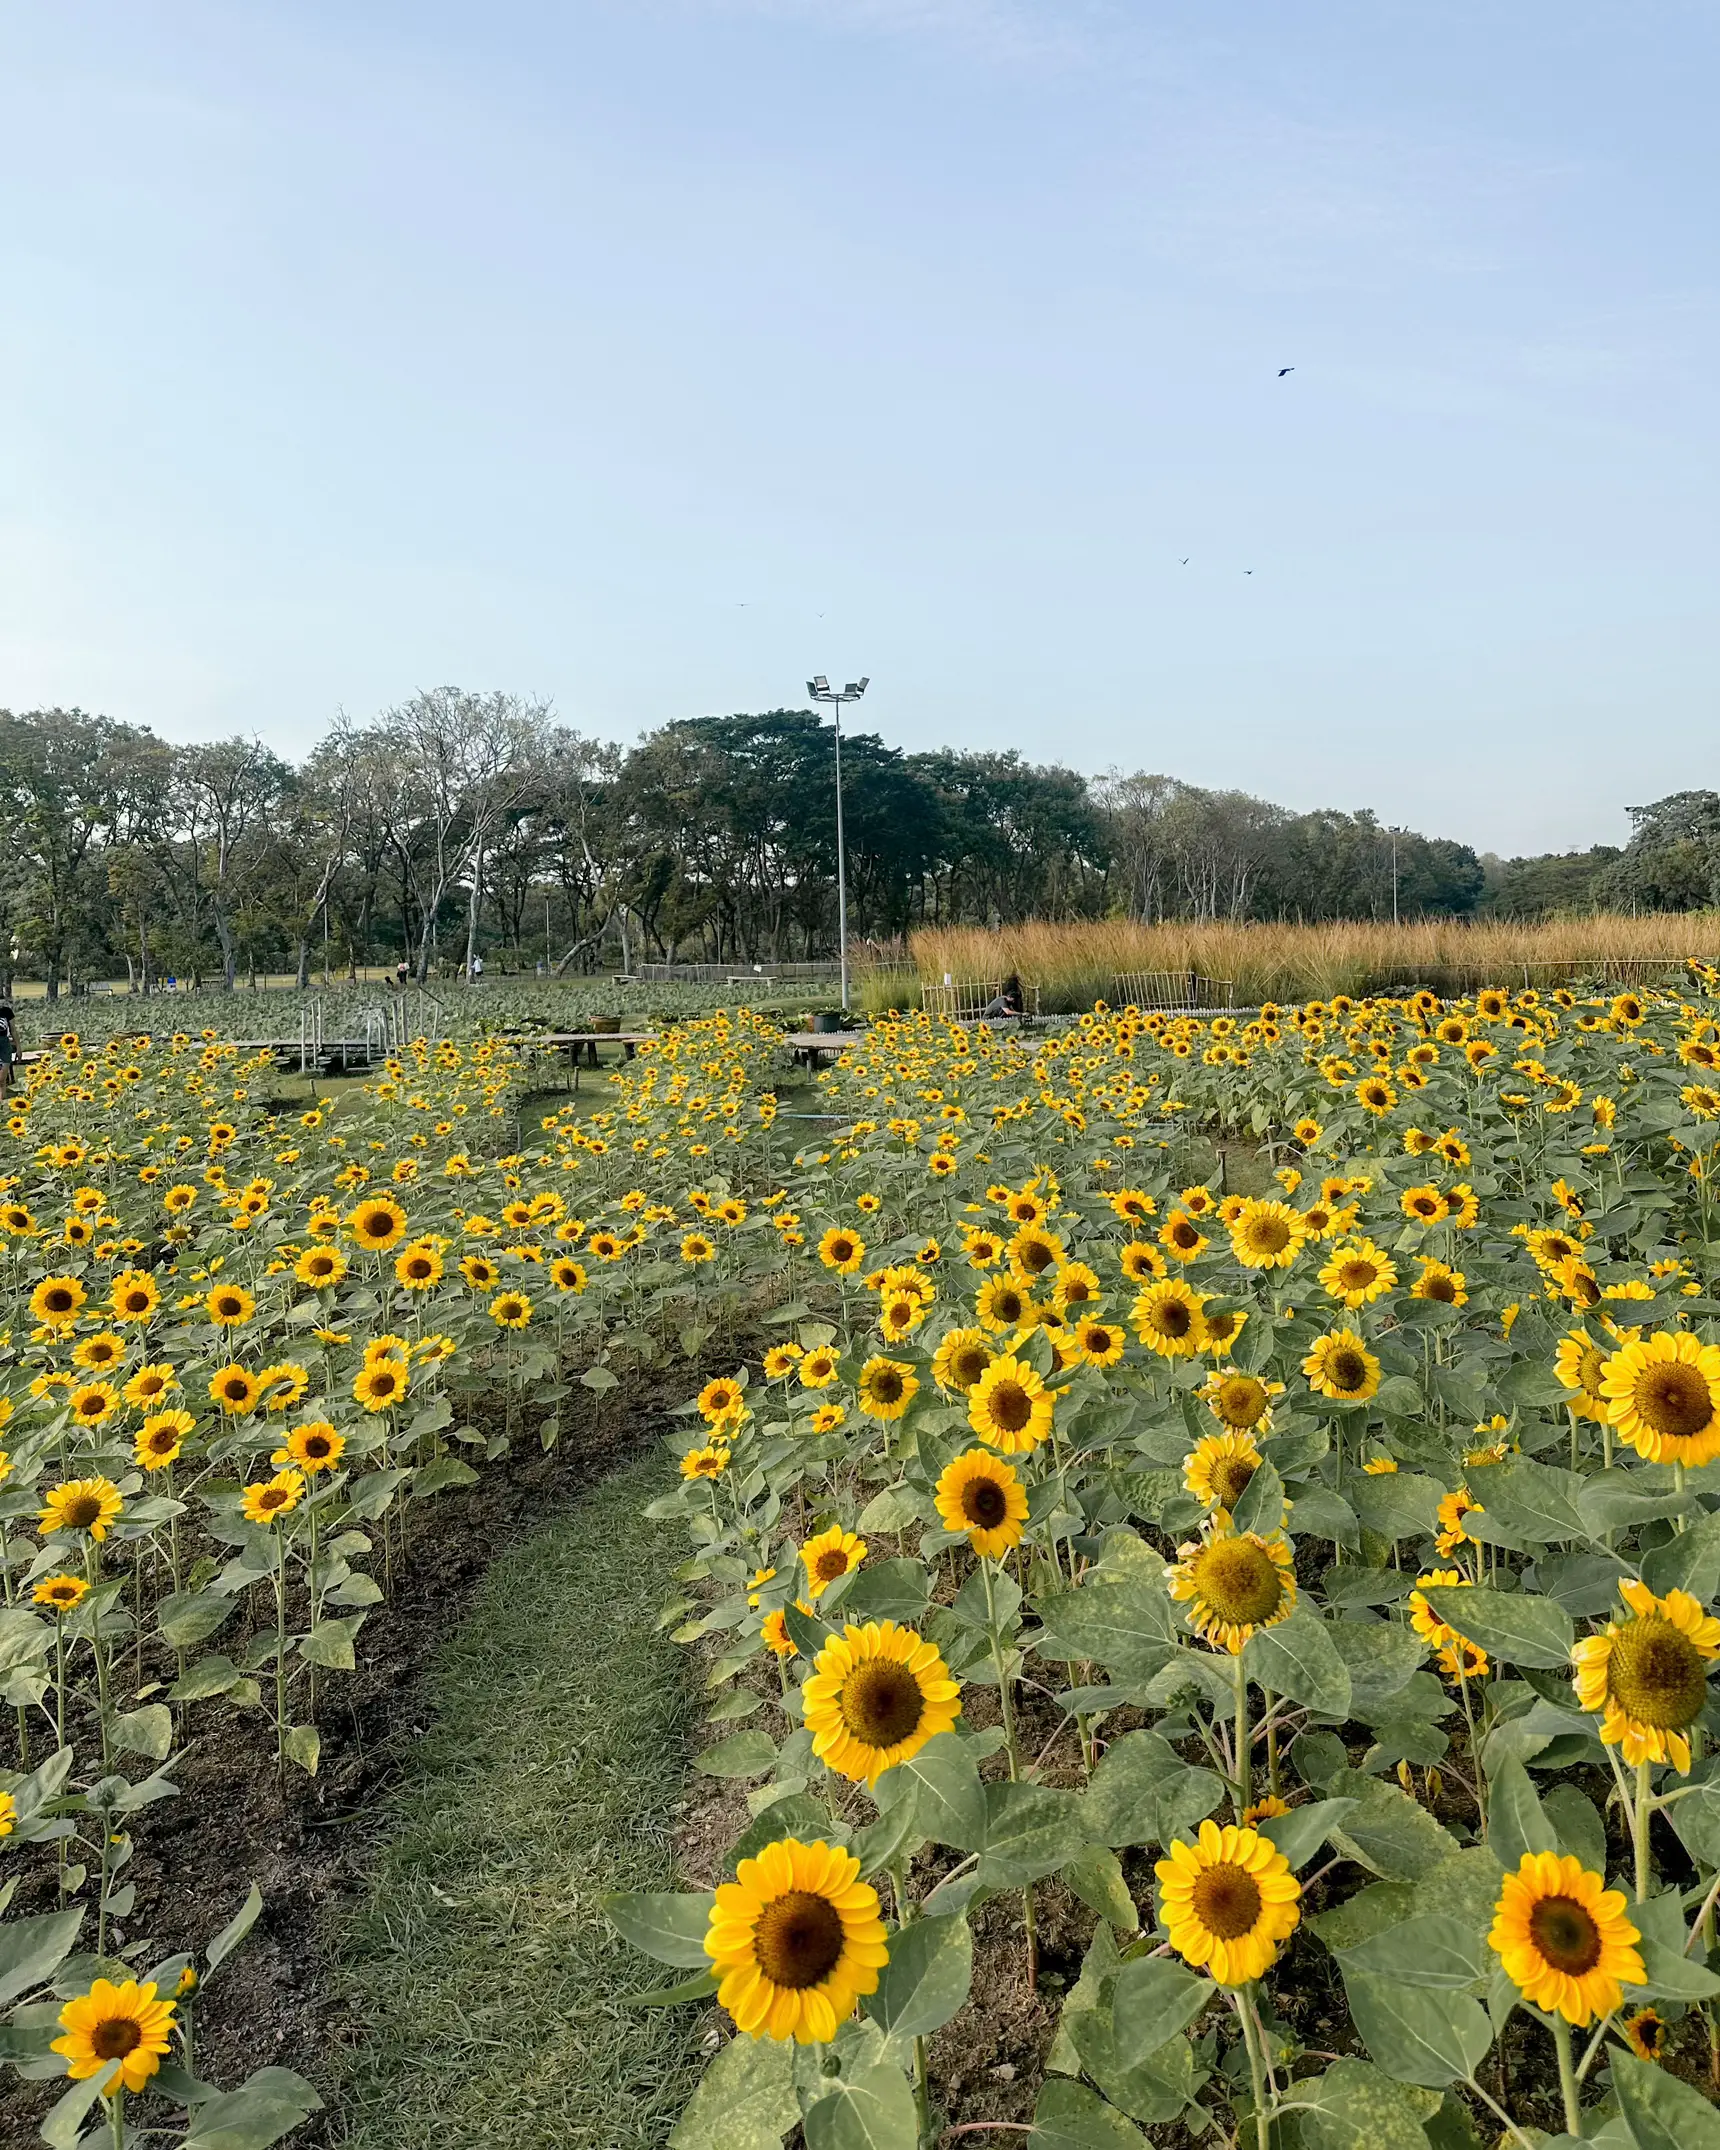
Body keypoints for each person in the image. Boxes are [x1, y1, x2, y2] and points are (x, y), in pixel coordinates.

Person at [0, 1003, 16, 1100]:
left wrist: (18, 1047)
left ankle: (2, 1103)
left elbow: (13, 1030)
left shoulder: (6, 1011)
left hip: (4, 1044)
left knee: (2, 1079)